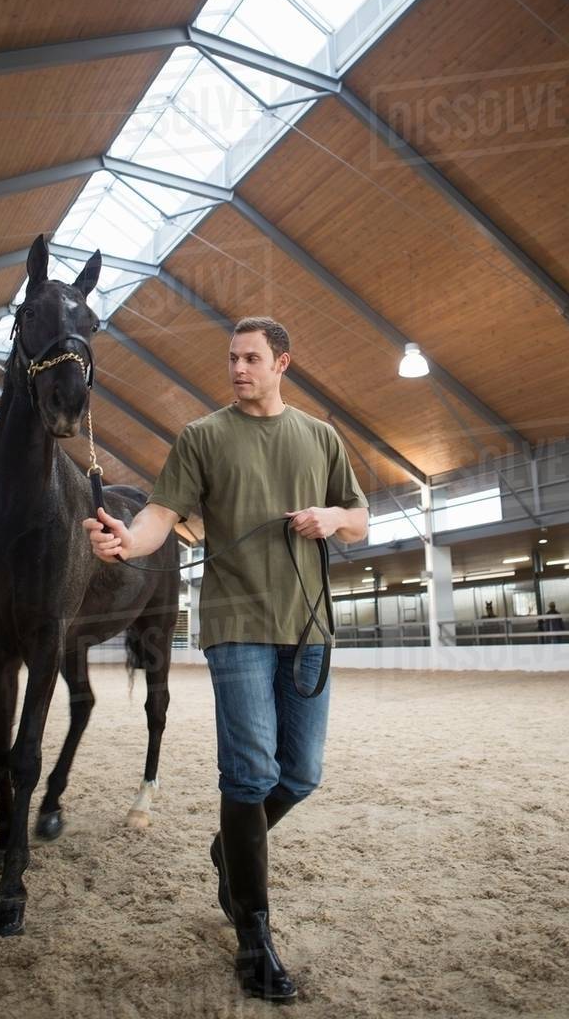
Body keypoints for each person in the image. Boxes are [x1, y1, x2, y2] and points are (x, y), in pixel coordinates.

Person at [83, 317, 369, 1004]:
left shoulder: (321, 437)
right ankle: (253, 930)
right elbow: (160, 515)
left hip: (309, 626)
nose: (238, 368)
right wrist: (127, 542)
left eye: (251, 358)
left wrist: (332, 519)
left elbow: (360, 518)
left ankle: (229, 850)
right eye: (233, 358)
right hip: (236, 624)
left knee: (301, 773)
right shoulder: (203, 436)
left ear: (282, 364)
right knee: (249, 772)